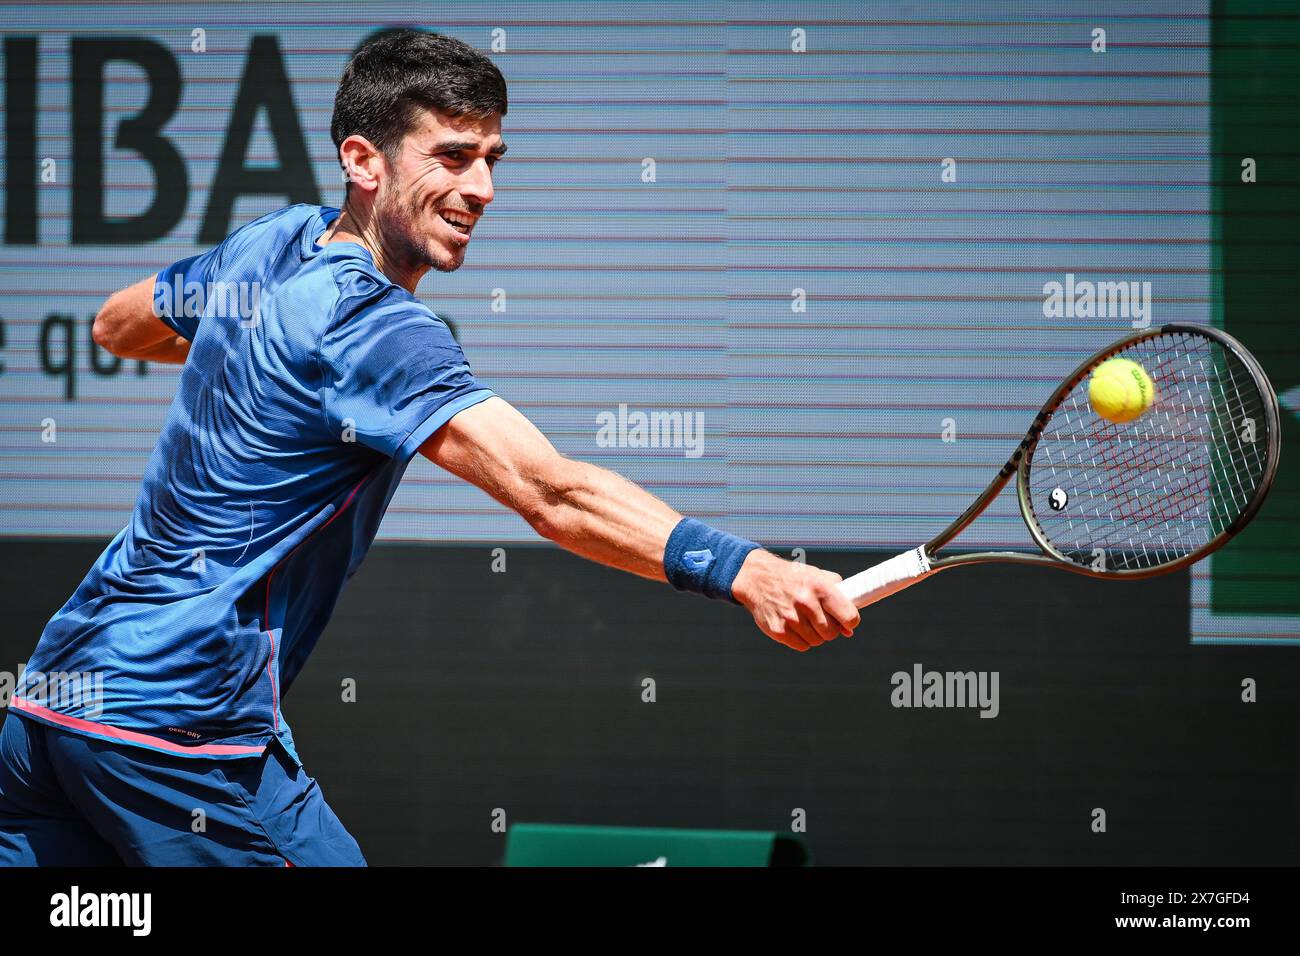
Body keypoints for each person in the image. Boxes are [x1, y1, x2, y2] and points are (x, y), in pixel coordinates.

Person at [0, 29, 858, 866]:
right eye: (451, 156)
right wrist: (748, 571)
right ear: (363, 161)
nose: (482, 186)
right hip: (174, 737)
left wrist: (260, 353)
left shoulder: (273, 244)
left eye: (492, 157)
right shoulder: (379, 328)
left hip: (51, 705)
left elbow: (118, 324)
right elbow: (550, 492)